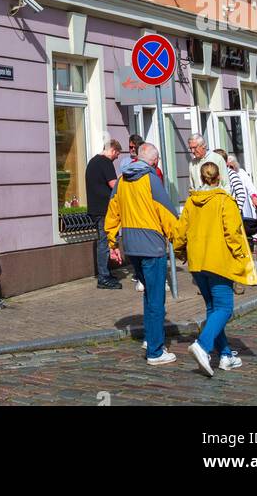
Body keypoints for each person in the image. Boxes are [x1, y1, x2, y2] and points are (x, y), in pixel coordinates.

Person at [172, 160, 257, 377]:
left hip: (197, 263)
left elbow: (180, 231)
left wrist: (180, 252)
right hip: (218, 261)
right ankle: (202, 345)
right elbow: (233, 233)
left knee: (213, 308)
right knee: (224, 308)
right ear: (219, 177)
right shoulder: (224, 201)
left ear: (201, 178)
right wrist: (241, 257)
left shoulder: (191, 202)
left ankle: (227, 355)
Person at [105, 143, 178, 365]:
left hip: (131, 244)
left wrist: (112, 242)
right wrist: (181, 241)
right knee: (156, 298)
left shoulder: (122, 181)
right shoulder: (151, 179)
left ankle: (150, 338)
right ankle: (155, 351)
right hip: (151, 245)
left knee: (148, 294)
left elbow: (113, 210)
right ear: (154, 162)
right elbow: (166, 213)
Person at [86, 138, 122, 289]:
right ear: (112, 150)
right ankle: (103, 277)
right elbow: (114, 185)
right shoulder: (105, 162)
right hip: (103, 208)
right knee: (104, 241)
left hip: (95, 208)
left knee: (103, 240)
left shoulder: (93, 161)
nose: (116, 158)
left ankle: (105, 272)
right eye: (117, 155)